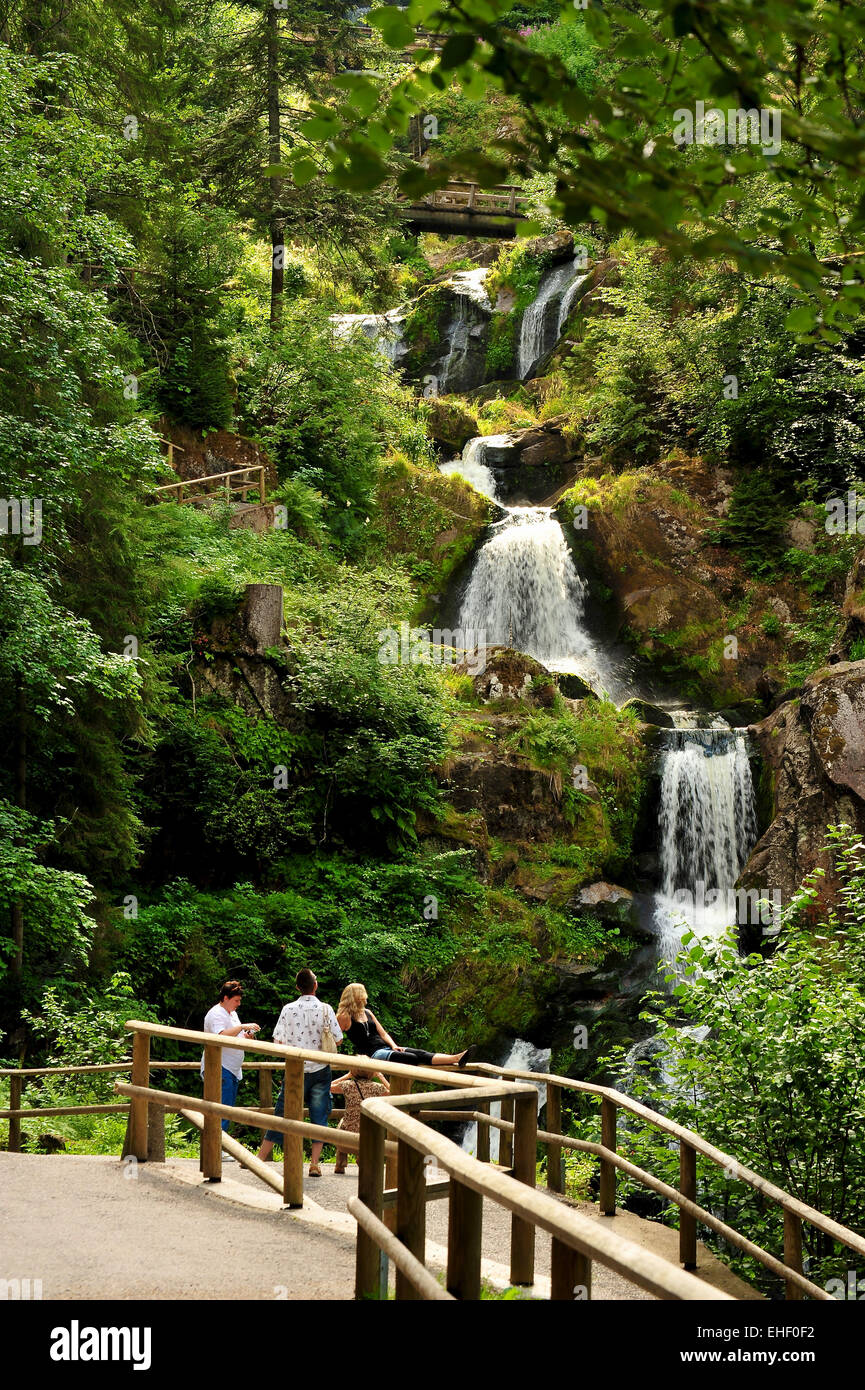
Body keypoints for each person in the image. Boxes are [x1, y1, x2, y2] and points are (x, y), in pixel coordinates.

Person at [257, 968, 343, 1177]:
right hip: (321, 1068)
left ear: (297, 987)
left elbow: (278, 1041)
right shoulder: (326, 1009)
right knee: (319, 1114)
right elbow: (338, 1039)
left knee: (282, 1111)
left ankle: (259, 1158)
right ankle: (314, 1163)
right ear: (315, 985)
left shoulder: (288, 1009)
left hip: (295, 1069)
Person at [335, 983, 477, 1070]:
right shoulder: (344, 1016)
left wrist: (394, 1045)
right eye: (364, 994)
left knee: (420, 1053)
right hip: (372, 1054)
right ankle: (454, 1059)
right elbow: (335, 1038)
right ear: (358, 996)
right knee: (411, 1058)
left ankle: (456, 1058)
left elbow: (383, 1034)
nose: (367, 997)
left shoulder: (368, 1012)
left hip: (385, 1048)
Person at [200, 981, 260, 1146]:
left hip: (232, 1068)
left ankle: (219, 1145)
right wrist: (242, 1026)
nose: (238, 1004)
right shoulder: (216, 1013)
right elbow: (222, 1035)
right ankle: (216, 1148)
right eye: (236, 1001)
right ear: (226, 998)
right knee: (221, 1109)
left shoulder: (231, 1013)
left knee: (227, 1110)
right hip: (219, 1066)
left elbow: (235, 1034)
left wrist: (247, 1035)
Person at [329, 1070, 390, 1174]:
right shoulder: (377, 1087)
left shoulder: (347, 1085)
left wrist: (347, 1076)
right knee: (370, 1125)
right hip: (368, 1142)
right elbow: (396, 1092)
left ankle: (340, 1164)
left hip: (345, 1142)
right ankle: (362, 1158)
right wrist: (381, 1077)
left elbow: (328, 1086)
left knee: (343, 1122)